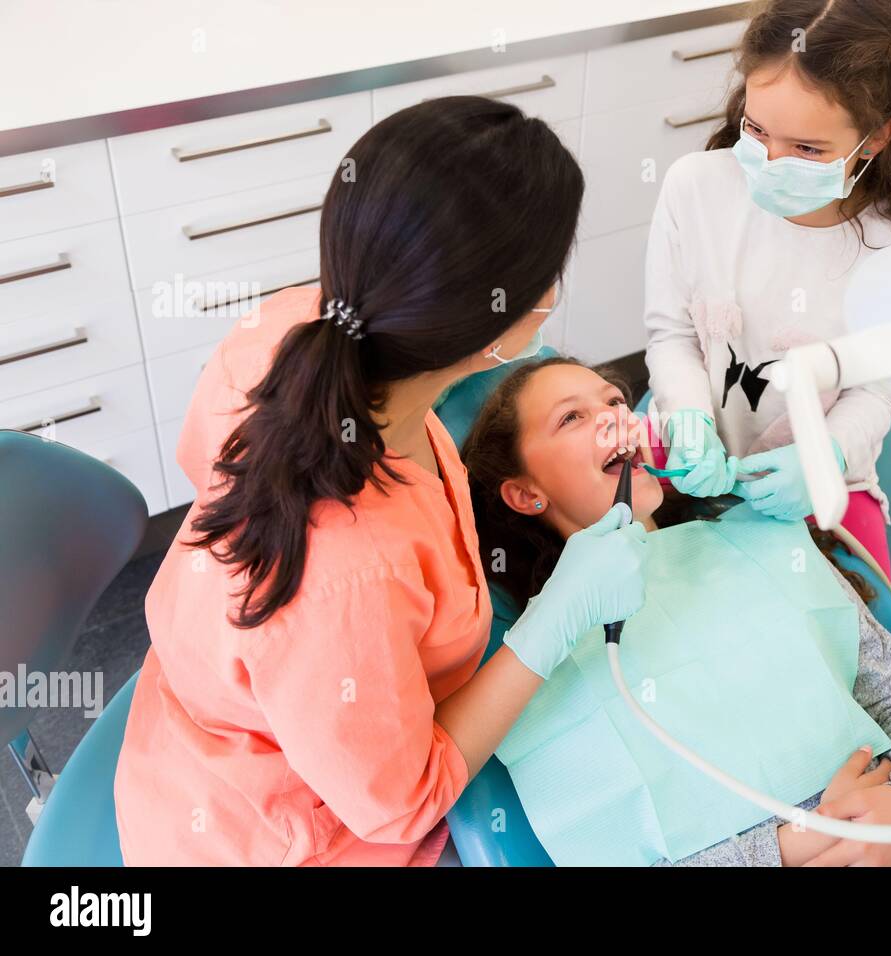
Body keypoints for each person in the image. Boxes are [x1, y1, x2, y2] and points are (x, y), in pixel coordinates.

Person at [113, 97, 648, 866]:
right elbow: (402, 803)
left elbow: (210, 479)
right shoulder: (352, 577)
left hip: (216, 705)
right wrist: (553, 622)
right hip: (277, 826)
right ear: (502, 325)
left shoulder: (287, 329)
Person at [462, 356, 891, 866]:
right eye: (572, 417)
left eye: (614, 401)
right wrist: (800, 842)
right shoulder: (538, 664)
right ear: (525, 493)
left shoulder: (761, 540)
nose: (611, 418)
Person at [645, 0, 891, 583]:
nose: (771, 162)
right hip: (694, 442)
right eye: (756, 131)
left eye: (807, 149)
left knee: (850, 637)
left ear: (877, 138)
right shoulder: (695, 189)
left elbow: (876, 393)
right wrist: (685, 418)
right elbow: (673, 334)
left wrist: (822, 461)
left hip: (826, 471)